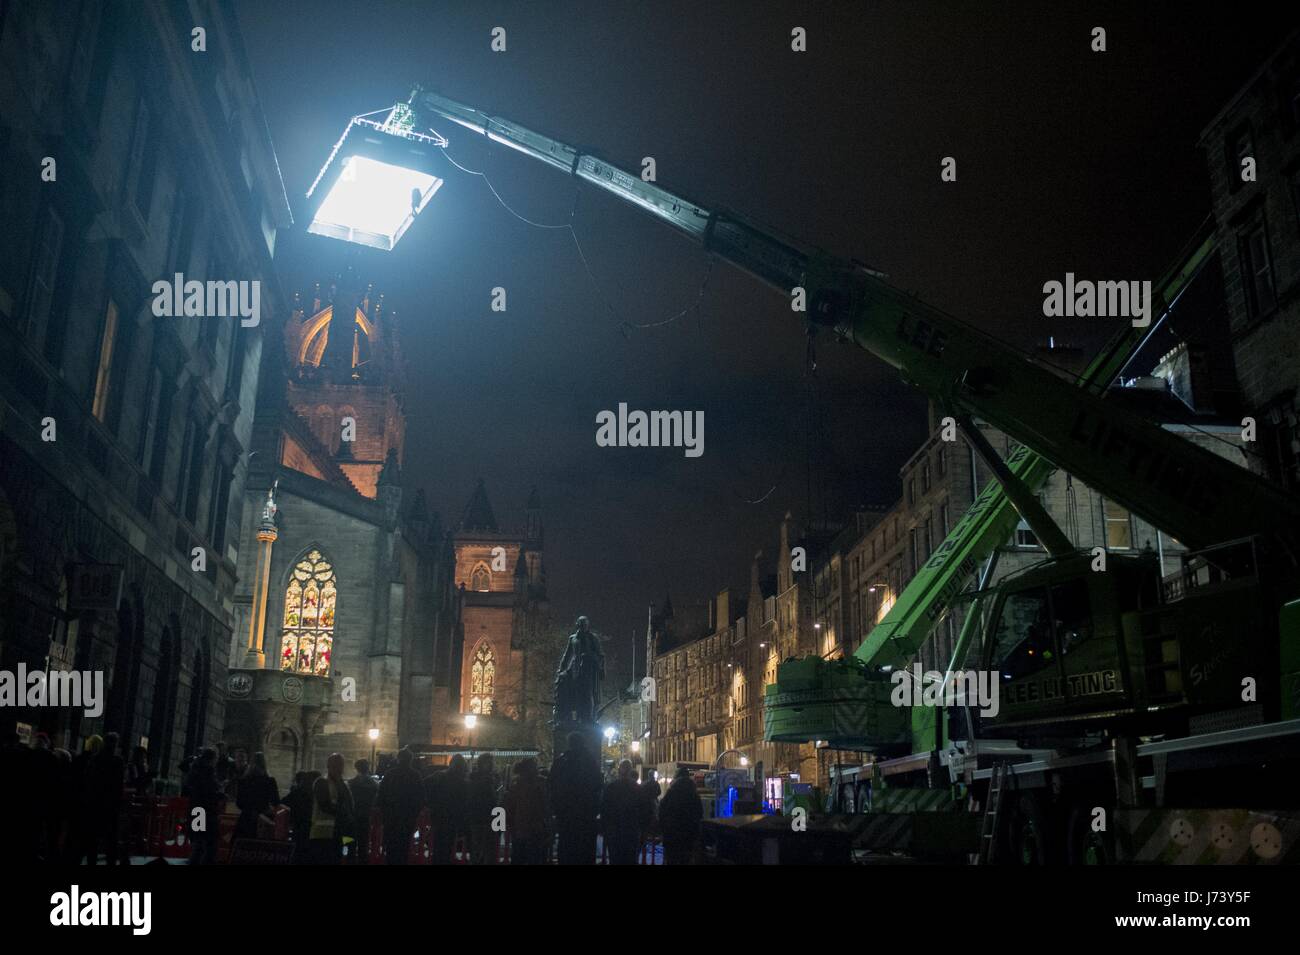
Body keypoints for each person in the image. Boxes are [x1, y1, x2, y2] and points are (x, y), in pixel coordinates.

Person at [548, 732, 601, 865]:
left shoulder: (561, 762)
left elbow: (551, 786)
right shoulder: (591, 761)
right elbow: (597, 785)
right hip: (586, 814)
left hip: (566, 814)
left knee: (566, 847)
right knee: (585, 850)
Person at [84, 732, 125, 865]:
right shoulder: (118, 761)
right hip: (111, 805)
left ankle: (91, 862)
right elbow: (119, 784)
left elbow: (89, 780)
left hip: (95, 802)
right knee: (111, 840)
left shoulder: (95, 759)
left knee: (93, 839)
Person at [377, 746, 423, 864]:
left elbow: (381, 796)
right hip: (407, 819)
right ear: (410, 760)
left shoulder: (389, 775)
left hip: (391, 819)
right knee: (404, 849)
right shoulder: (415, 776)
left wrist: (384, 813)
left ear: (398, 759)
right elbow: (420, 799)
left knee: (391, 850)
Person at [309, 753, 354, 865]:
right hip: (323, 835)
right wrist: (344, 814)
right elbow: (325, 805)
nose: (339, 768)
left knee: (342, 858)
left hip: (341, 834)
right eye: (335, 765)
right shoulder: (321, 782)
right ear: (328, 766)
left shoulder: (344, 785)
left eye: (340, 765)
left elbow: (349, 805)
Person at [182, 748, 224, 865]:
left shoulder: (195, 770)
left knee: (198, 842)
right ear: (212, 759)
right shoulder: (208, 772)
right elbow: (209, 791)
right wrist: (220, 794)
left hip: (195, 809)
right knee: (211, 842)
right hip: (207, 811)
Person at [425, 755, 468, 864]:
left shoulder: (439, 776)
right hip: (453, 819)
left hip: (439, 816)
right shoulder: (462, 782)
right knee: (448, 848)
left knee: (438, 848)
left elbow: (426, 785)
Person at [504, 757, 548, 865]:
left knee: (519, 856)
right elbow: (545, 806)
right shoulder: (541, 784)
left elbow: (510, 807)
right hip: (536, 829)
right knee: (536, 857)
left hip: (520, 828)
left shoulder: (516, 786)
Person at [658, 766, 703, 865]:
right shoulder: (694, 794)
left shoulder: (671, 792)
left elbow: (662, 811)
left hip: (672, 834)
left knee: (672, 860)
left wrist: (663, 829)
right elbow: (699, 814)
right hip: (689, 835)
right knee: (685, 860)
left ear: (676, 777)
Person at [601, 759, 643, 865]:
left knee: (615, 859)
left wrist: (605, 827)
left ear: (619, 770)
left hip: (614, 832)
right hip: (631, 832)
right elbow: (643, 809)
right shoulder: (637, 788)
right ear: (630, 770)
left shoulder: (611, 787)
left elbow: (604, 809)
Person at [235, 751, 280, 840]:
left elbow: (239, 803)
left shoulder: (244, 781)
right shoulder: (270, 781)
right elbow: (276, 801)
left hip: (246, 819)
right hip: (263, 819)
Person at [466, 753, 499, 865]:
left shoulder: (480, 779)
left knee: (483, 849)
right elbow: (493, 800)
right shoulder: (483, 780)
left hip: (483, 818)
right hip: (482, 818)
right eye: (488, 762)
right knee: (483, 849)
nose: (490, 765)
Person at [347, 759, 379, 865]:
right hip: (365, 818)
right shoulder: (374, 784)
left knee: (349, 845)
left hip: (351, 819)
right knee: (363, 846)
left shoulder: (350, 783)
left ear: (356, 768)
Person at [283, 772, 316, 862]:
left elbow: (283, 802)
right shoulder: (314, 794)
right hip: (311, 827)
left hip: (298, 826)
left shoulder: (296, 793)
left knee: (298, 853)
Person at [637, 769, 661, 861]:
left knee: (643, 833)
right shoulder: (655, 783)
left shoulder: (643, 783)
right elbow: (659, 792)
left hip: (644, 809)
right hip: (652, 806)